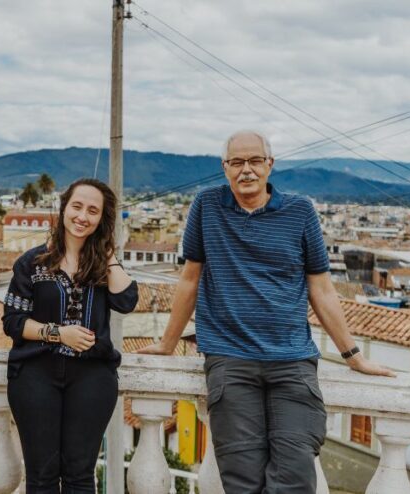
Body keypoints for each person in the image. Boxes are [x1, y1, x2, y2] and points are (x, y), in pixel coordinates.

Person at [139, 130, 394, 493]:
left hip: (292, 361)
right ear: (224, 168)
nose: (247, 170)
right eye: (237, 162)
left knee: (294, 476)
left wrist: (353, 356)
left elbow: (320, 288)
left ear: (269, 165)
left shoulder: (300, 211)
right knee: (242, 481)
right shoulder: (207, 206)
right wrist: (167, 343)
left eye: (255, 160)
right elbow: (189, 279)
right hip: (229, 359)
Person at [3, 177, 138, 493]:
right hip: (35, 373)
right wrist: (58, 334)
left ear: (101, 219)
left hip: (92, 376)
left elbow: (126, 301)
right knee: (42, 476)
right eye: (77, 206)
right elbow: (12, 321)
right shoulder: (32, 262)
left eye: (93, 211)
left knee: (80, 476)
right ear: (64, 208)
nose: (82, 216)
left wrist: (107, 253)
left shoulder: (103, 266)